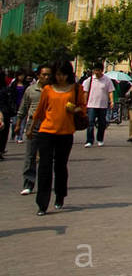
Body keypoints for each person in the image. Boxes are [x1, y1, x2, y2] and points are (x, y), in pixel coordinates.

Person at [31, 60, 84, 215]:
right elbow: (40, 110)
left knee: (60, 166)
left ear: (69, 74)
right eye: (58, 74)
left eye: (64, 74)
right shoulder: (47, 89)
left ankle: (60, 195)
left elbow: (83, 107)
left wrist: (75, 109)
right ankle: (42, 203)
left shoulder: (76, 89)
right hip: (46, 131)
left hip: (66, 133)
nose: (61, 78)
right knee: (44, 167)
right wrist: (31, 128)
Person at [18, 67, 50, 194]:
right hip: (33, 124)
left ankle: (44, 183)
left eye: (49, 75)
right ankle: (28, 183)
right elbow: (23, 107)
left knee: (46, 156)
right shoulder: (31, 90)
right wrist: (18, 123)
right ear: (38, 75)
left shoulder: (53, 90)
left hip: (48, 125)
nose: (46, 77)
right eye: (44, 75)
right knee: (30, 155)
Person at [83, 63, 112, 147]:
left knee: (102, 123)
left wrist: (112, 101)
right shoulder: (90, 79)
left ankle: (100, 139)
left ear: (101, 70)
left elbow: (110, 91)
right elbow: (85, 92)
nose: (96, 72)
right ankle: (89, 140)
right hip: (91, 104)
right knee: (90, 122)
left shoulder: (107, 80)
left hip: (102, 105)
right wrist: (84, 103)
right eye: (95, 70)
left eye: (98, 70)